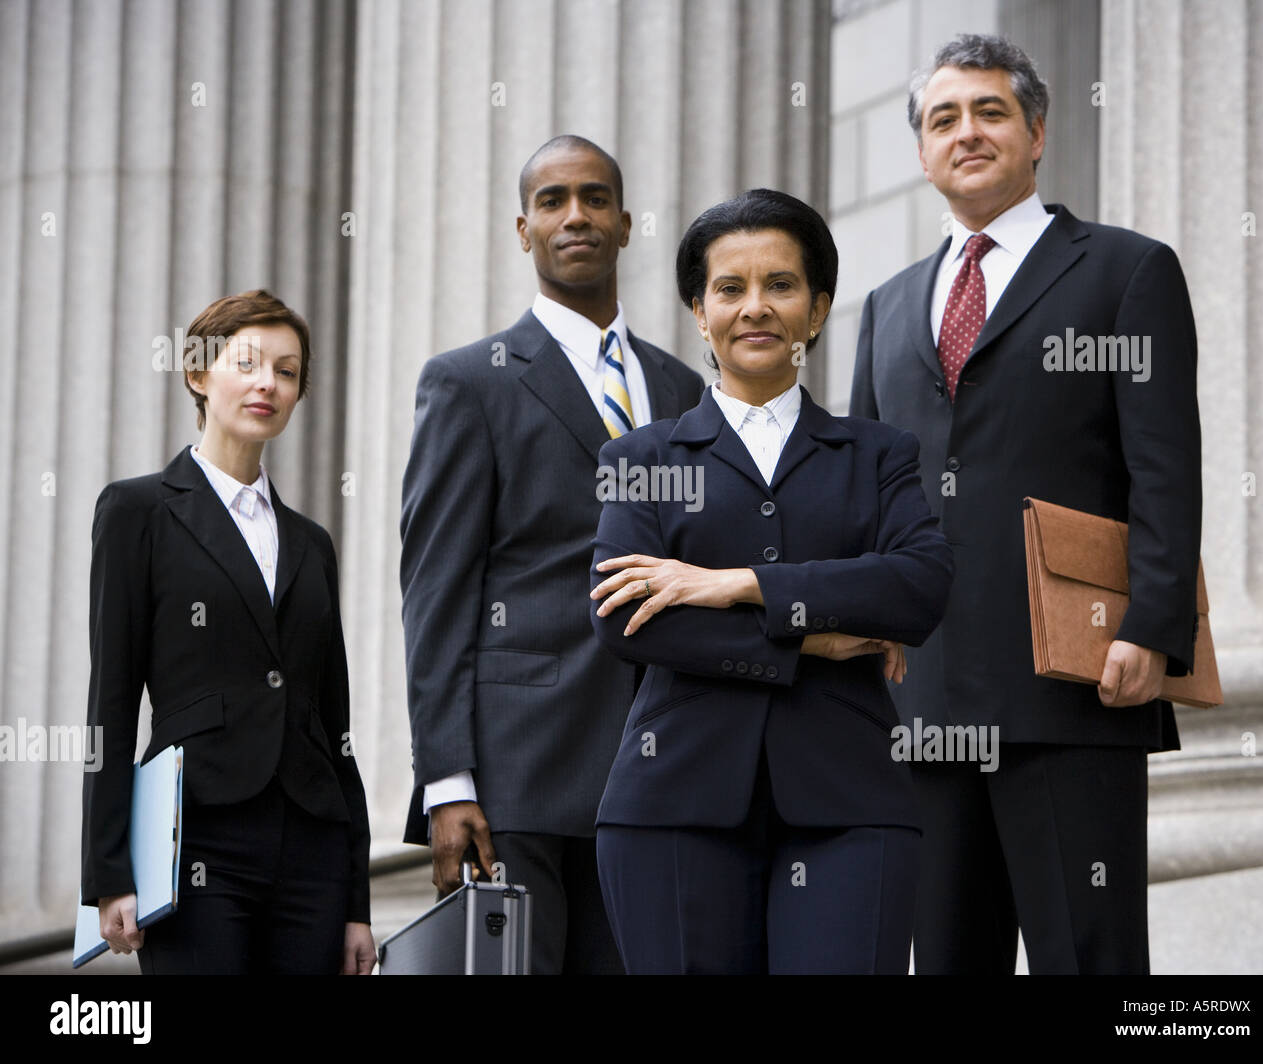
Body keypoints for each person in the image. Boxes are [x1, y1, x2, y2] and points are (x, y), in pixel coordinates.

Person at [850, 34, 1202, 974]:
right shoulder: (886, 307)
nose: (967, 133)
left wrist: (1150, 625)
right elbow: (867, 492)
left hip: (1074, 683)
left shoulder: (1127, 271)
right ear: (922, 152)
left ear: (1037, 132)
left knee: (1089, 957)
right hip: (921, 700)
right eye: (943, 119)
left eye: (990, 112)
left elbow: (1165, 465)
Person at [588, 188, 954, 974]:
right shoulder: (641, 461)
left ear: (818, 310)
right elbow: (627, 619)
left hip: (851, 805)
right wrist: (811, 640)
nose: (755, 308)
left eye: (781, 286)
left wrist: (739, 585)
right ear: (699, 311)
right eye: (730, 288)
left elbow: (920, 585)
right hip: (673, 808)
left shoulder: (879, 453)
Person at [398, 135, 704, 974]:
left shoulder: (683, 390)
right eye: (554, 200)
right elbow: (435, 592)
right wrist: (447, 782)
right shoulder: (470, 382)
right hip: (518, 775)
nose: (577, 215)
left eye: (596, 198)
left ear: (628, 224)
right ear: (523, 230)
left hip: (661, 764)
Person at [81, 290, 375, 975]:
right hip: (196, 841)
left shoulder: (312, 543)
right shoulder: (138, 511)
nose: (268, 383)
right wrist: (108, 871)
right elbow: (111, 701)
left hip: (311, 851)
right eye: (247, 362)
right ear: (196, 372)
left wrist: (356, 900)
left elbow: (338, 727)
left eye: (288, 370)